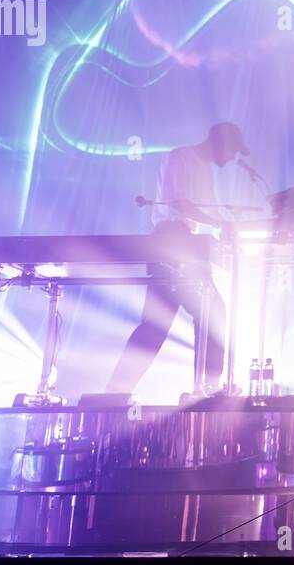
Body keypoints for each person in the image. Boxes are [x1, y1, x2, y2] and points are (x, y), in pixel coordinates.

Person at [105, 122, 248, 397]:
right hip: (169, 243)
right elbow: (179, 206)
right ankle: (203, 387)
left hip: (185, 246)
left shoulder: (204, 170)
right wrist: (222, 226)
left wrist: (223, 227)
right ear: (219, 142)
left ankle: (121, 391)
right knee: (199, 315)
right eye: (232, 150)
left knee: (183, 319)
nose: (231, 158)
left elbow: (205, 213)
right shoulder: (178, 158)